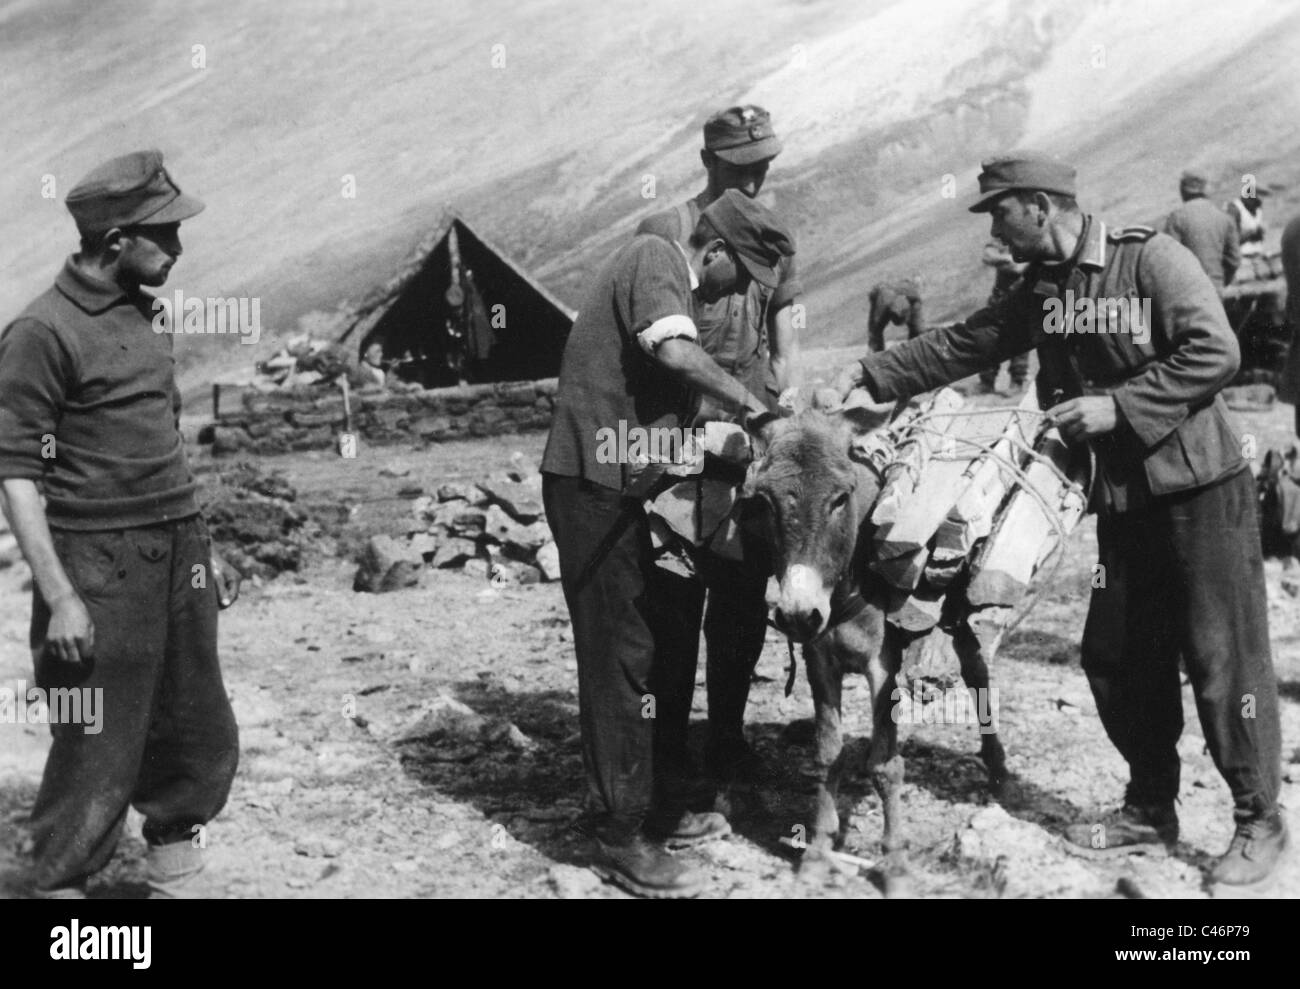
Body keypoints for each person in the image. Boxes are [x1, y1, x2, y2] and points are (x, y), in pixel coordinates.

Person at [835, 151, 1287, 896]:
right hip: (1123, 499)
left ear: (1040, 207)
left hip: (1202, 491)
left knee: (1221, 656)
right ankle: (1150, 804)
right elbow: (968, 342)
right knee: (1116, 652)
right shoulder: (1043, 289)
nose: (994, 229)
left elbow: (1217, 349)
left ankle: (1259, 815)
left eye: (1001, 212)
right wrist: (874, 376)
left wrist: (1121, 406)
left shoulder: (1150, 261)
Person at [0, 150, 242, 898]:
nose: (177, 249)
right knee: (97, 741)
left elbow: (161, 438)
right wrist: (61, 593)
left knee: (196, 725)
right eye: (164, 234)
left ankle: (176, 872)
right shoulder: (41, 332)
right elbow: (15, 471)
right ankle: (57, 888)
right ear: (115, 241)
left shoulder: (147, 314)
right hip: (97, 564)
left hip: (177, 547)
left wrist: (204, 543)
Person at [542, 189, 793, 898]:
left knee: (655, 636)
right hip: (592, 483)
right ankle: (618, 835)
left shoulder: (673, 278)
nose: (736, 294)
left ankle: (654, 801)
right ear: (712, 251)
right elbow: (677, 353)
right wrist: (757, 410)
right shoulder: (657, 258)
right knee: (619, 653)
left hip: (624, 482)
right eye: (737, 277)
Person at [635, 104, 801, 782]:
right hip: (680, 435)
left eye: (763, 168)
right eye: (741, 170)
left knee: (741, 595)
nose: (755, 182)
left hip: (751, 433)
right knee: (673, 599)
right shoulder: (667, 231)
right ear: (709, 163)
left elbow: (788, 328)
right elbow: (657, 342)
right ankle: (666, 746)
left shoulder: (772, 234)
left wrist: (782, 397)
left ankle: (726, 737)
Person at [1161, 169, 1241, 291]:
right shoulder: (1224, 218)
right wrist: (1220, 282)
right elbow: (1234, 260)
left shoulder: (1176, 218)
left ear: (1183, 190)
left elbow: (1168, 261)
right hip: (1215, 288)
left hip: (1187, 291)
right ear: (1204, 189)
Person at [974, 240, 1030, 394]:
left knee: (1019, 345)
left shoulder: (1032, 242)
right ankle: (986, 382)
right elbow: (987, 255)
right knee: (989, 343)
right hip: (999, 301)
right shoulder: (1006, 238)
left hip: (1021, 302)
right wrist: (1008, 259)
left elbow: (1019, 268)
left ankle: (1017, 383)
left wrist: (1001, 260)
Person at [867, 277, 924, 353]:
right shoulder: (882, 304)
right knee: (876, 332)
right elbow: (875, 331)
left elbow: (919, 328)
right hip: (882, 292)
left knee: (918, 330)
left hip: (903, 294)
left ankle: (915, 352)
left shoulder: (914, 301)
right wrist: (877, 352)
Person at [1227, 190, 1267, 259]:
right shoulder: (1235, 209)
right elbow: (1231, 239)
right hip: (1240, 256)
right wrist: (1251, 233)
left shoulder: (1257, 207)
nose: (1261, 200)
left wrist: (1260, 231)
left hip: (1257, 254)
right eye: (1259, 196)